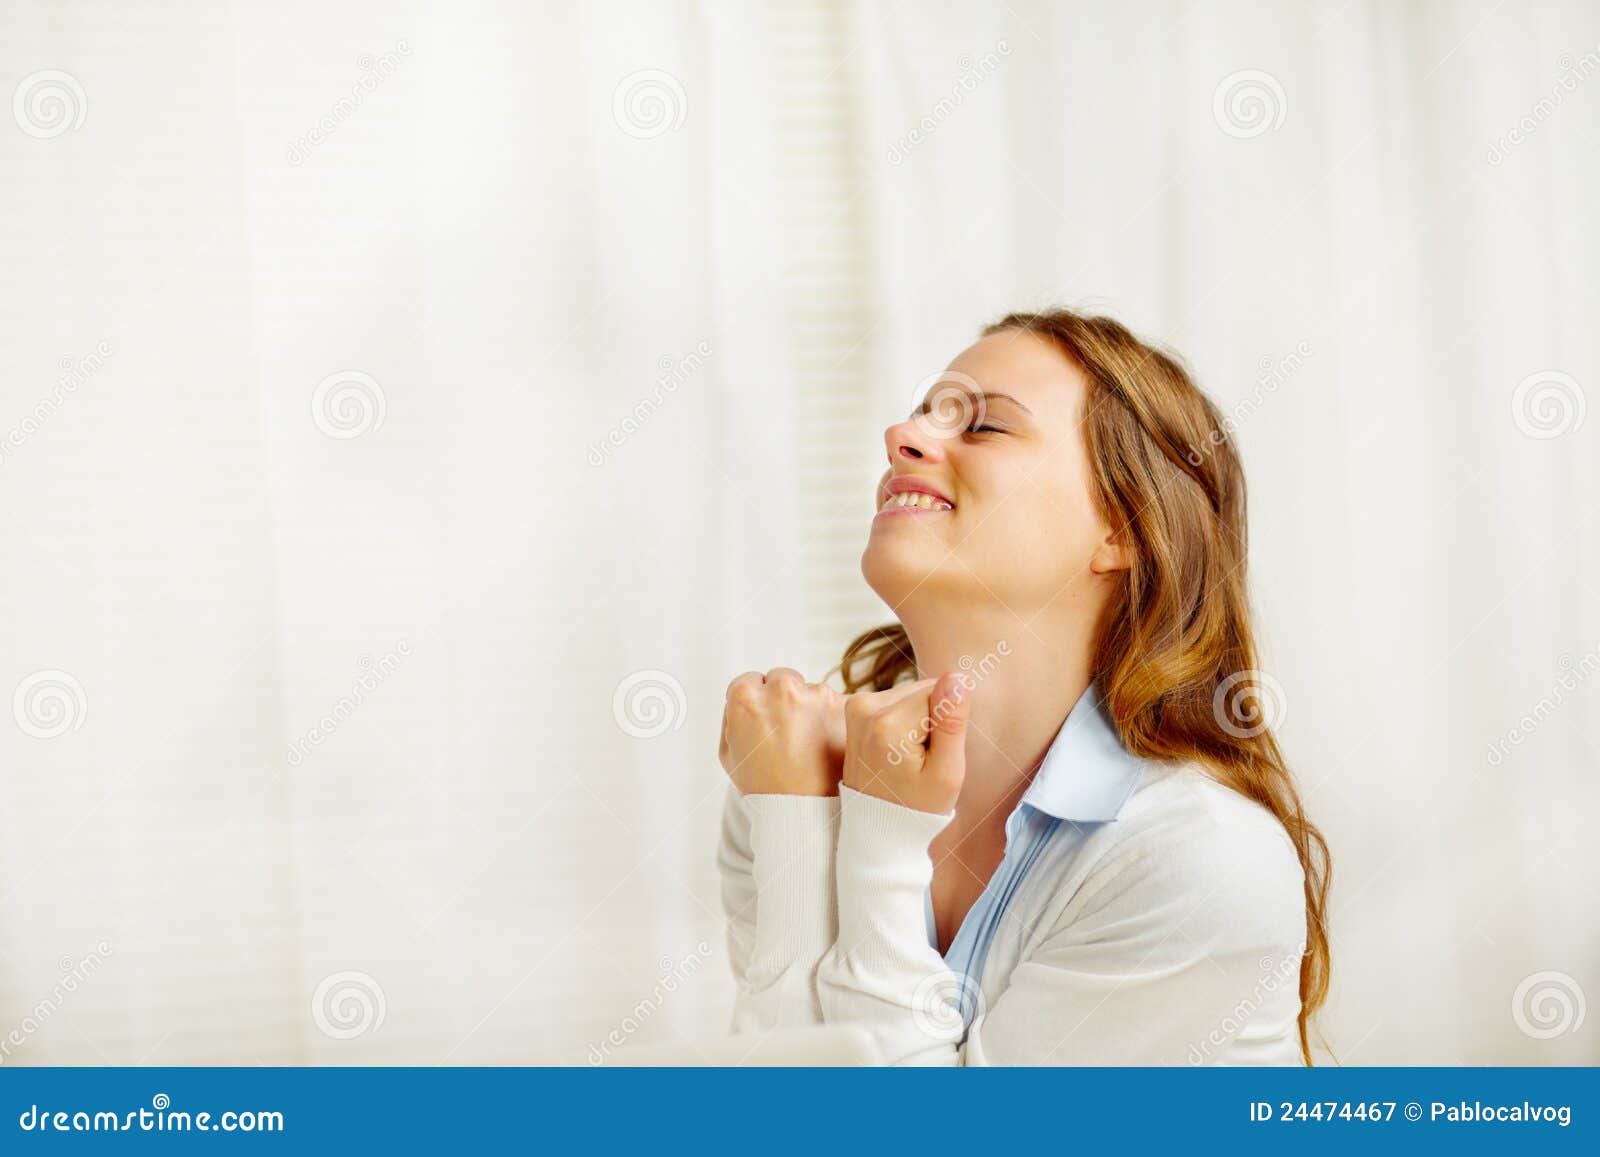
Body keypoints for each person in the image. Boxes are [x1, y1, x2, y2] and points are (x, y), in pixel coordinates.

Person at [717, 309, 1330, 1065]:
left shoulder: (1200, 858)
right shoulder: (792, 778)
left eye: (984, 428)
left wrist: (862, 833)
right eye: (922, 415)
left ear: (1124, 528)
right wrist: (792, 820)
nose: (901, 439)